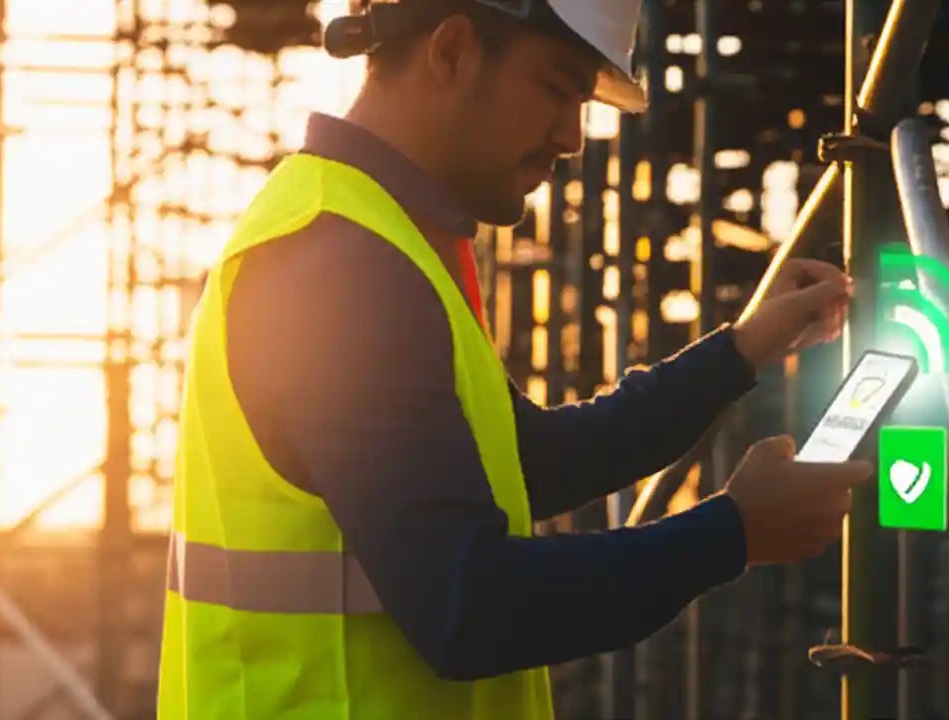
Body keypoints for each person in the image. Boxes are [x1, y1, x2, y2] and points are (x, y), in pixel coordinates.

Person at [156, 1, 873, 718]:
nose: (572, 139)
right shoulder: (342, 266)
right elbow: (469, 606)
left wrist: (743, 348)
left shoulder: (369, 236)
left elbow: (526, 460)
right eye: (559, 89)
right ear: (451, 51)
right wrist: (732, 532)